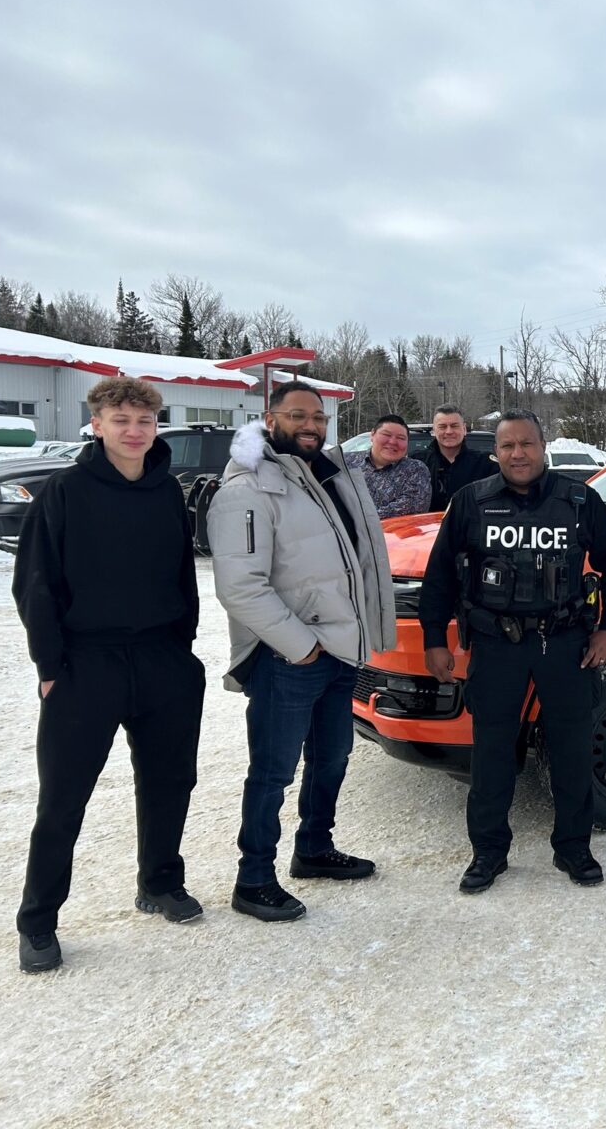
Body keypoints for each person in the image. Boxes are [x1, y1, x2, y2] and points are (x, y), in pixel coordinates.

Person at [12, 377, 205, 974]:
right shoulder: (65, 491)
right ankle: (39, 921)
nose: (133, 431)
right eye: (120, 419)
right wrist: (50, 665)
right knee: (64, 798)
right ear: (96, 424)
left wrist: (182, 646)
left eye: (144, 421)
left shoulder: (166, 493)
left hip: (161, 660)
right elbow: (35, 582)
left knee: (171, 781)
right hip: (85, 664)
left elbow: (183, 574)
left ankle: (160, 883)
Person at [418, 409, 606, 892]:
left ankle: (574, 848)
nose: (518, 454)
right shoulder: (471, 502)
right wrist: (435, 639)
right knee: (492, 753)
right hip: (496, 645)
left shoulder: (580, 501)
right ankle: (489, 853)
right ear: (496, 452)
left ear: (543, 448)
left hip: (565, 643)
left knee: (572, 750)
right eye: (508, 445)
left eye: (527, 444)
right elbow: (441, 576)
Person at [208, 381, 396, 922]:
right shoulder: (247, 490)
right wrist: (302, 648)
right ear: (271, 420)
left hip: (339, 651)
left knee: (332, 759)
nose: (311, 424)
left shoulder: (322, 476)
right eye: (298, 415)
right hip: (289, 658)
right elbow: (241, 586)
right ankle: (254, 879)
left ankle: (313, 848)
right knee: (273, 771)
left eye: (318, 415)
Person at [345, 414, 430, 519]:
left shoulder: (415, 470)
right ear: (372, 435)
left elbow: (411, 509)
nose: (393, 442)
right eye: (386, 435)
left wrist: (354, 520)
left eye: (401, 438)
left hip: (391, 534)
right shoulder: (346, 462)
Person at [422, 403, 496, 512]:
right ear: (433, 430)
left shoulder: (486, 465)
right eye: (442, 426)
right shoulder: (419, 463)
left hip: (471, 527)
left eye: (454, 426)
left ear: (464, 429)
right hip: (427, 527)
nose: (449, 431)